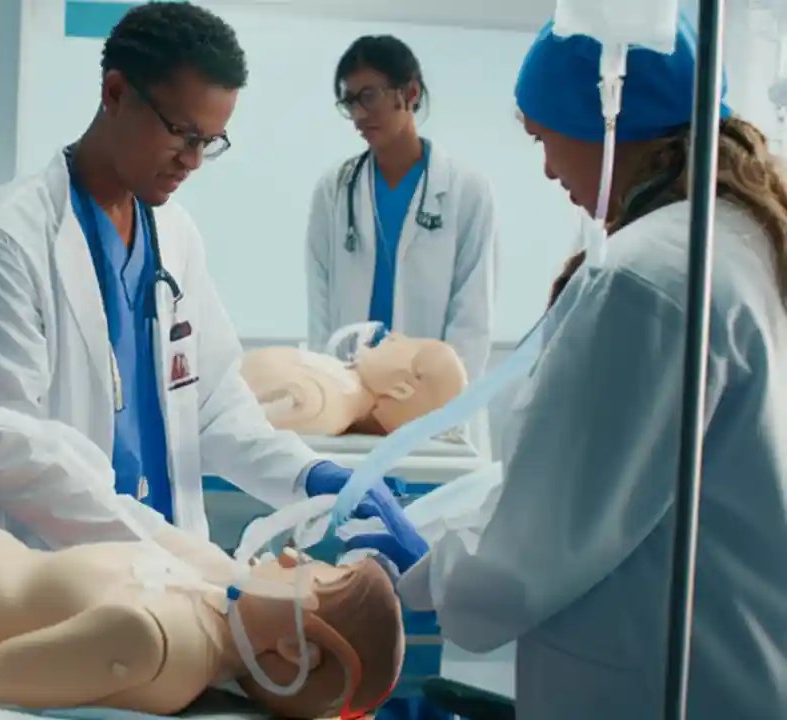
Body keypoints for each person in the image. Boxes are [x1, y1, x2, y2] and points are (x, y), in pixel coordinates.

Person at [351, 18, 787, 719]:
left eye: (543, 139)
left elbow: (528, 561)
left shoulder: (645, 280)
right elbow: (602, 478)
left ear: (607, 120)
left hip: (660, 682)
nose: (550, 170)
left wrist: (430, 569)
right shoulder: (737, 239)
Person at [0, 2, 420, 554]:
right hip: (53, 571)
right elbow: (7, 452)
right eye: (182, 134)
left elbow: (215, 408)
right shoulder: (6, 242)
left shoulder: (174, 234)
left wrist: (309, 476)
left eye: (209, 142)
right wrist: (164, 546)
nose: (192, 161)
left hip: (164, 571)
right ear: (115, 92)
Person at [0, 519, 402, 718]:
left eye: (317, 576)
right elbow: (121, 512)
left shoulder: (154, 643)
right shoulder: (205, 591)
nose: (293, 556)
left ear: (296, 652)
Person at [305, 35, 497, 386]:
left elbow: (472, 315)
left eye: (369, 96)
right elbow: (320, 306)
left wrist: (446, 398)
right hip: (350, 389)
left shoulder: (467, 190)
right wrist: (327, 386)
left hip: (431, 394)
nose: (359, 115)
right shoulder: (334, 190)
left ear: (410, 93)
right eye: (350, 101)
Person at [241, 331, 467, 436]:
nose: (396, 335)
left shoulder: (328, 402)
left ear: (400, 388)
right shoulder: (340, 383)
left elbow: (249, 415)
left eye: (412, 345)